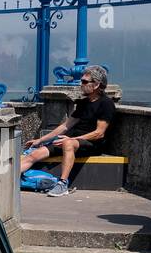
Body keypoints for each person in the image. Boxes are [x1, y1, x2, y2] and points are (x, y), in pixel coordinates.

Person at [20, 65, 115, 197]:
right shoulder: (84, 103)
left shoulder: (106, 104)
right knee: (34, 154)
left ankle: (63, 183)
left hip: (91, 143)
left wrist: (71, 139)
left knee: (67, 143)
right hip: (71, 140)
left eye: (84, 82)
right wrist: (40, 140)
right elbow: (65, 126)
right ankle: (9, 179)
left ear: (96, 85)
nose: (81, 84)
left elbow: (99, 133)